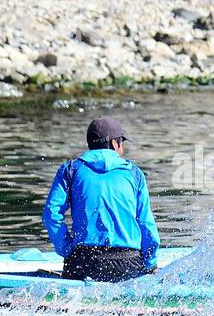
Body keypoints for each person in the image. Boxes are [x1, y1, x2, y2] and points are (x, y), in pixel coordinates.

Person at [42, 116, 160, 282]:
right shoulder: (134, 173)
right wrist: (151, 263)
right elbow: (146, 223)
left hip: (84, 260)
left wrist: (67, 249)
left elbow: (51, 215)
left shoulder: (70, 169)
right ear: (114, 143)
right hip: (127, 262)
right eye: (122, 143)